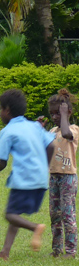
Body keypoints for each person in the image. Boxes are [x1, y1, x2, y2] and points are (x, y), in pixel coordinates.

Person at [0, 88, 54, 259]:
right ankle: (5, 252)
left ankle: (35, 227)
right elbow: (52, 146)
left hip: (24, 180)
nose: (0, 113)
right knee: (15, 215)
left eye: (0, 109)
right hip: (41, 179)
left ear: (7, 110)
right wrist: (44, 166)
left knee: (9, 215)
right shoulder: (35, 126)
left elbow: (2, 163)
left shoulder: (7, 132)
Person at [48, 89, 78, 257]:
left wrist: (64, 115)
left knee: (68, 214)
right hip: (54, 177)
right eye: (52, 114)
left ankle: (71, 250)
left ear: (68, 113)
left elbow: (66, 134)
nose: (54, 117)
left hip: (68, 178)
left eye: (57, 114)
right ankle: (56, 249)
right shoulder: (52, 131)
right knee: (55, 214)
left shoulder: (74, 130)